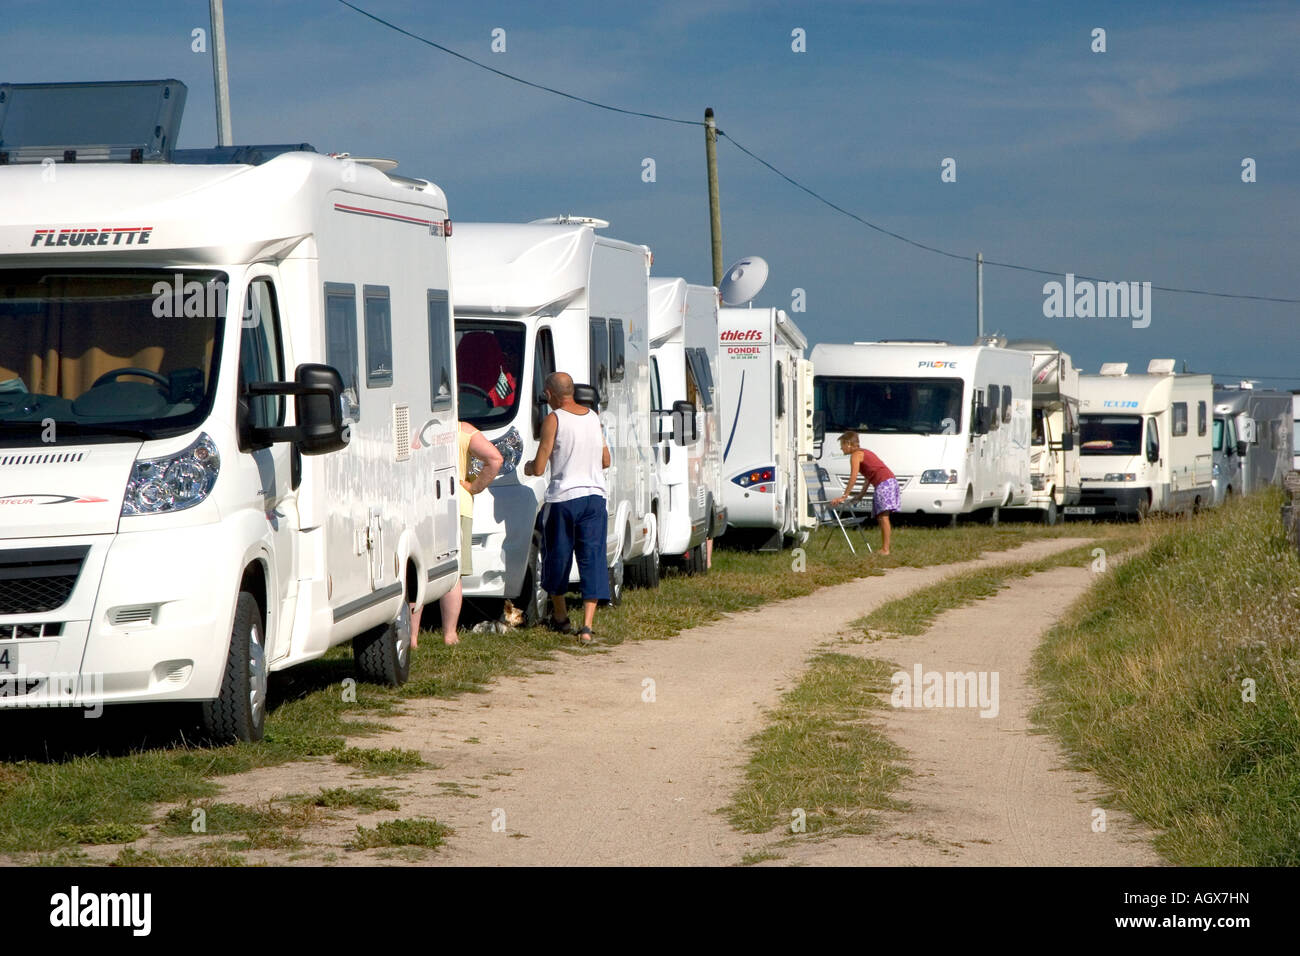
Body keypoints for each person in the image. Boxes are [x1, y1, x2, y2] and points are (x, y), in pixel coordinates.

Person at [523, 372, 611, 646]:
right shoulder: (593, 417)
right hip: (595, 498)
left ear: (549, 394)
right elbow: (606, 460)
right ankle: (587, 626)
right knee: (592, 557)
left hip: (564, 499)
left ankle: (560, 618)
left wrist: (527, 467)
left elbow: (539, 468)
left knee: (557, 556)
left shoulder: (554, 419)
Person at [413, 420, 503, 647]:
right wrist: (474, 487)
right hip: (456, 503)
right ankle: (450, 635)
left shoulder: (417, 427)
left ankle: (411, 637)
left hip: (420, 507)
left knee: (417, 573)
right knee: (454, 573)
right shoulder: (464, 431)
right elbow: (495, 459)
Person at [830, 430, 898, 555]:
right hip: (889, 482)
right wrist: (861, 494)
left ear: (849, 444)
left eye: (842, 444)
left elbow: (853, 477)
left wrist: (844, 496)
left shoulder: (856, 455)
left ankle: (885, 549)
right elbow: (868, 476)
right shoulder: (865, 452)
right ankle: (885, 548)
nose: (841, 448)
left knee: (883, 516)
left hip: (884, 483)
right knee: (882, 516)